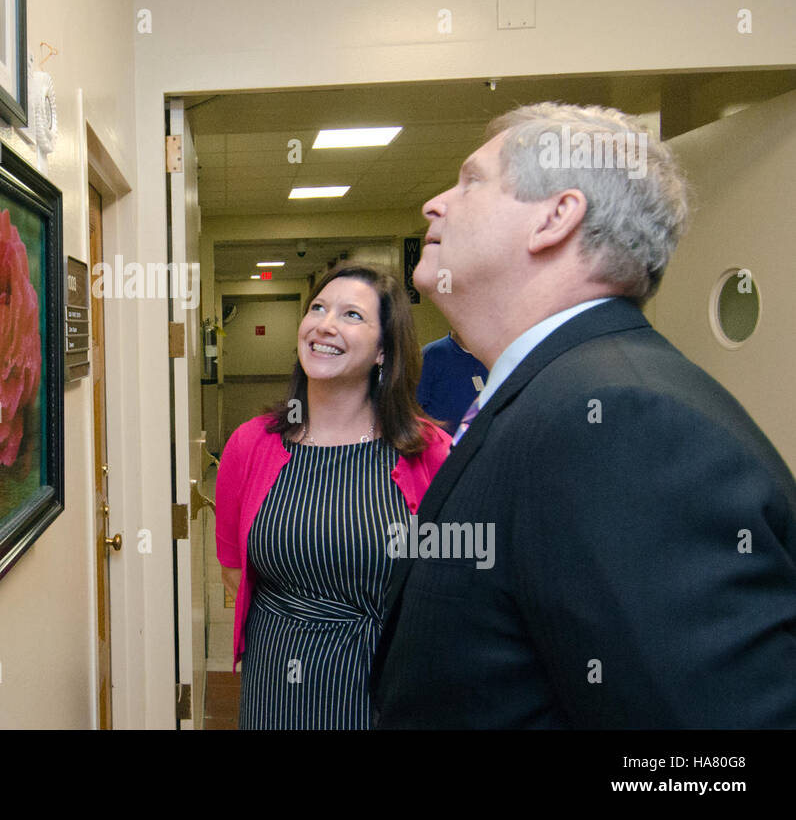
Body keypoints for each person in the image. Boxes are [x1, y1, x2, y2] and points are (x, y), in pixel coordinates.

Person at [372, 102, 796, 728]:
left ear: (556, 216)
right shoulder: (551, 392)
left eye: (470, 181)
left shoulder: (620, 422)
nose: (435, 204)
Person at [215, 265, 450, 729]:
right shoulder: (250, 443)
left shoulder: (428, 453)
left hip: (383, 683)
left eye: (351, 315)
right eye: (318, 308)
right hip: (275, 681)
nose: (325, 324)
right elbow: (233, 572)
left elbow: (452, 588)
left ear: (384, 349)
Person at [416, 329, 488, 434]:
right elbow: (411, 406)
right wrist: (439, 427)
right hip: (439, 440)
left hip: (476, 438)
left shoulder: (486, 355)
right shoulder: (432, 353)